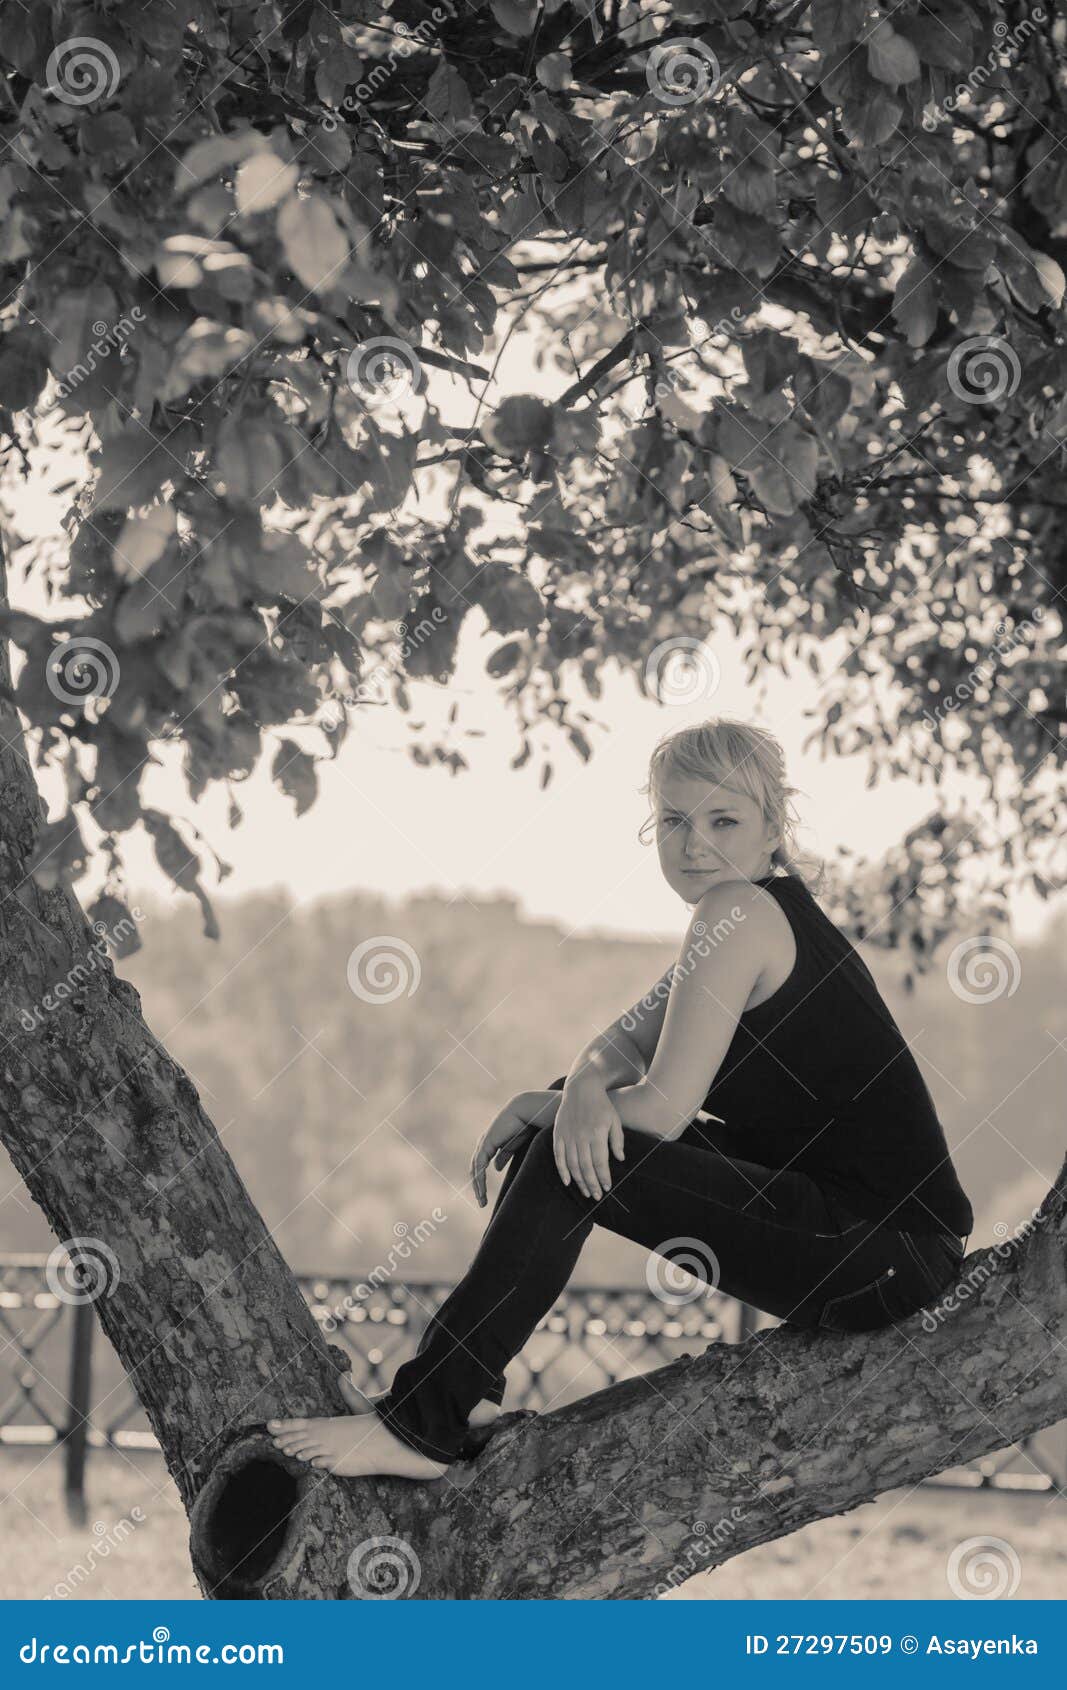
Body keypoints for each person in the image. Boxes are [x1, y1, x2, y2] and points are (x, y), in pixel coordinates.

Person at [268, 716, 974, 1479]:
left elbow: (662, 1112)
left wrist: (548, 1109)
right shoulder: (747, 911)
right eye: (673, 820)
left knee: (571, 1145)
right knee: (575, 1120)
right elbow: (618, 1048)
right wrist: (570, 1087)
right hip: (874, 1244)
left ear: (773, 830)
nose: (693, 842)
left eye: (723, 820)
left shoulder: (737, 916)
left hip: (879, 1247)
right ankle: (456, 1401)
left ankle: (422, 1426)